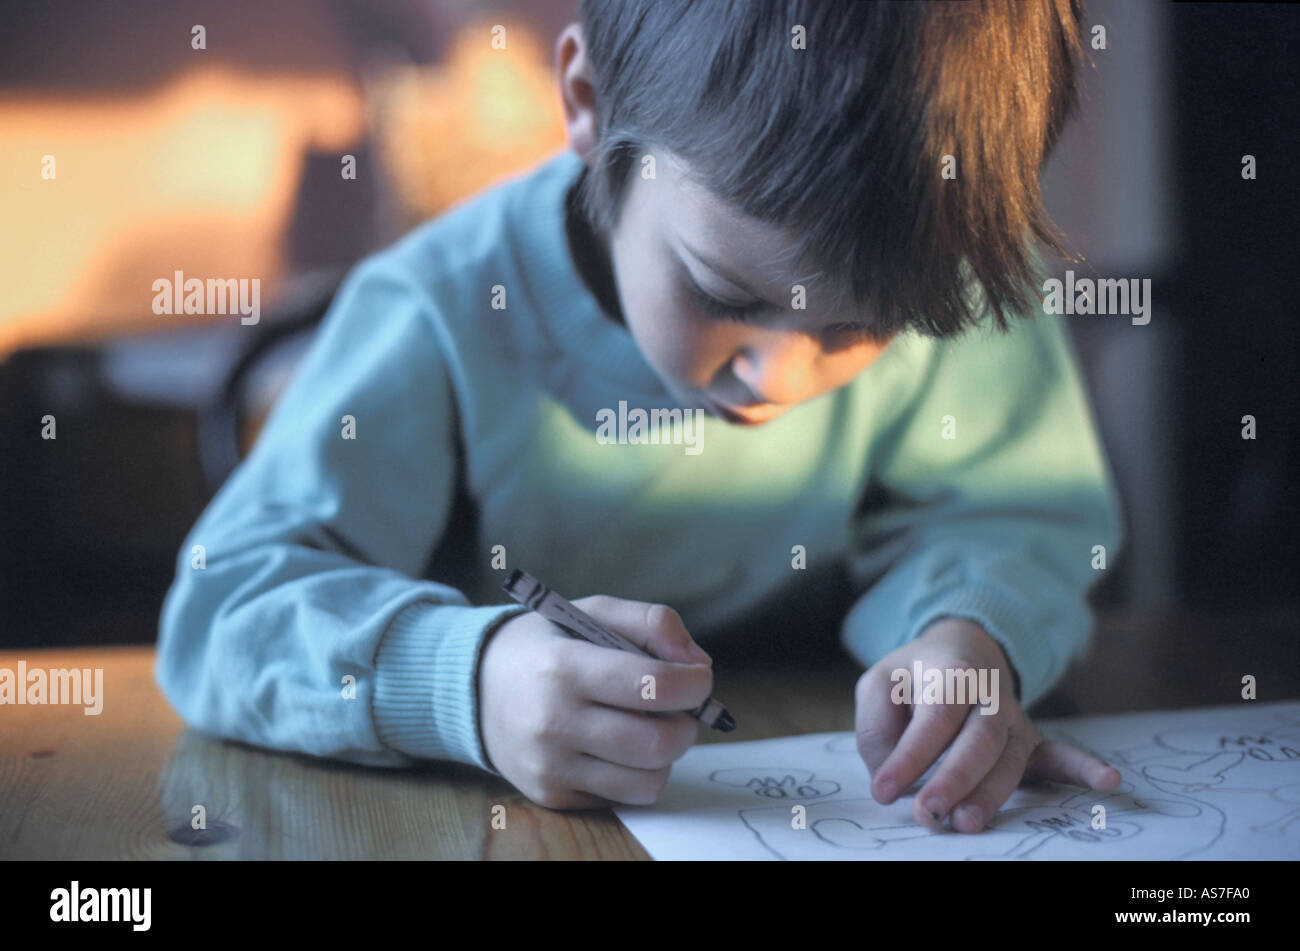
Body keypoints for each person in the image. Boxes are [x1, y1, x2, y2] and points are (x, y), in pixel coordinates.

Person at [158, 0, 1123, 833]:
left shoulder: (944, 263)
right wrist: (468, 680)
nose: (776, 376)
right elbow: (225, 608)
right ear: (584, 103)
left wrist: (969, 633)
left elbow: (1012, 515)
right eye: (725, 292)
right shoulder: (440, 311)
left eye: (859, 326)